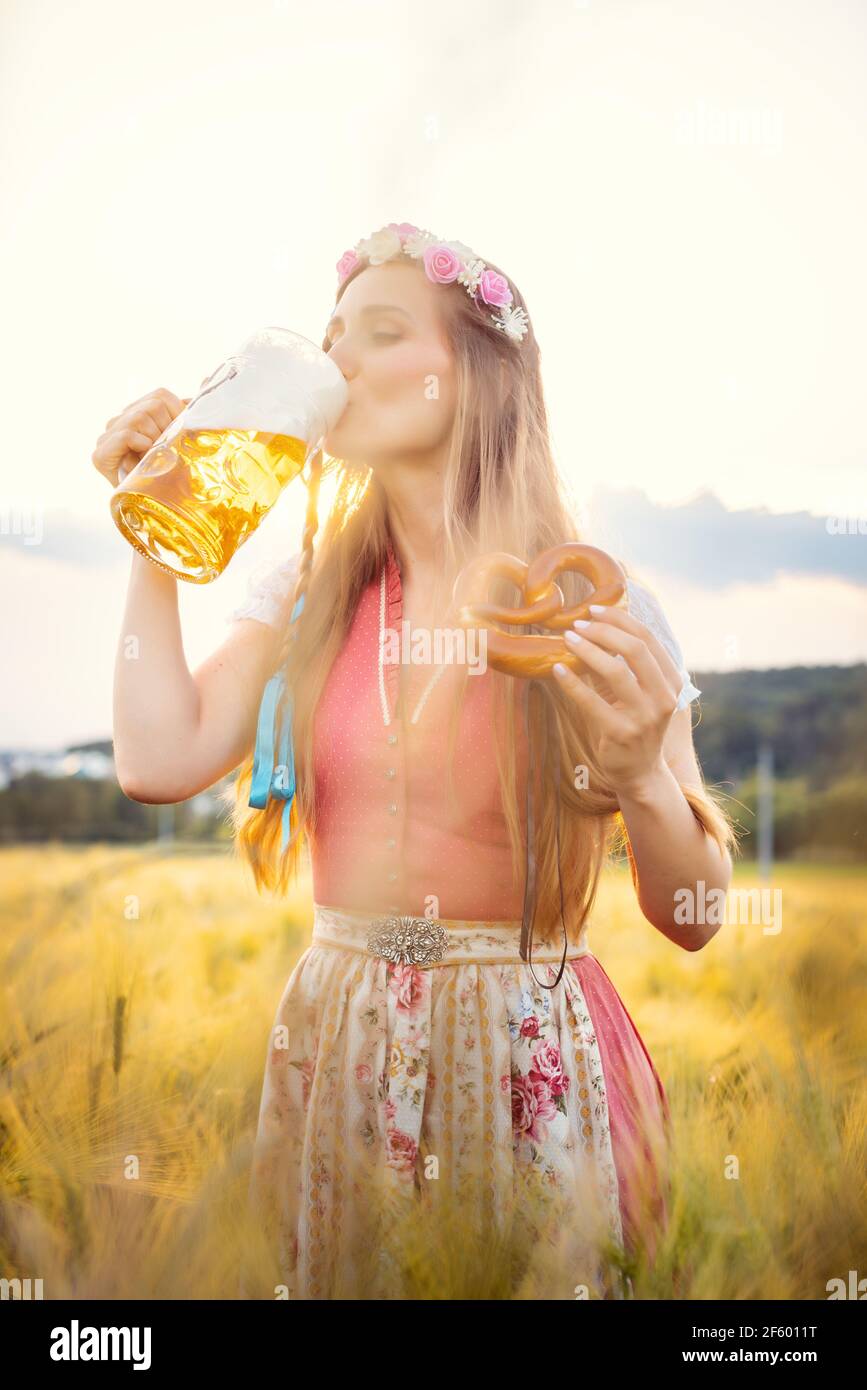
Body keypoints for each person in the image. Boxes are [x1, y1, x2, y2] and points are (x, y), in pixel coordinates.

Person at [94, 221, 737, 1301]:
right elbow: (157, 757)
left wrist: (637, 777)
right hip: (341, 1042)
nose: (335, 358)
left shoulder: (588, 600)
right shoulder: (306, 590)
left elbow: (699, 912)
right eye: (333, 332)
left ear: (478, 377)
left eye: (381, 332)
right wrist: (153, 527)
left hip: (529, 1050)